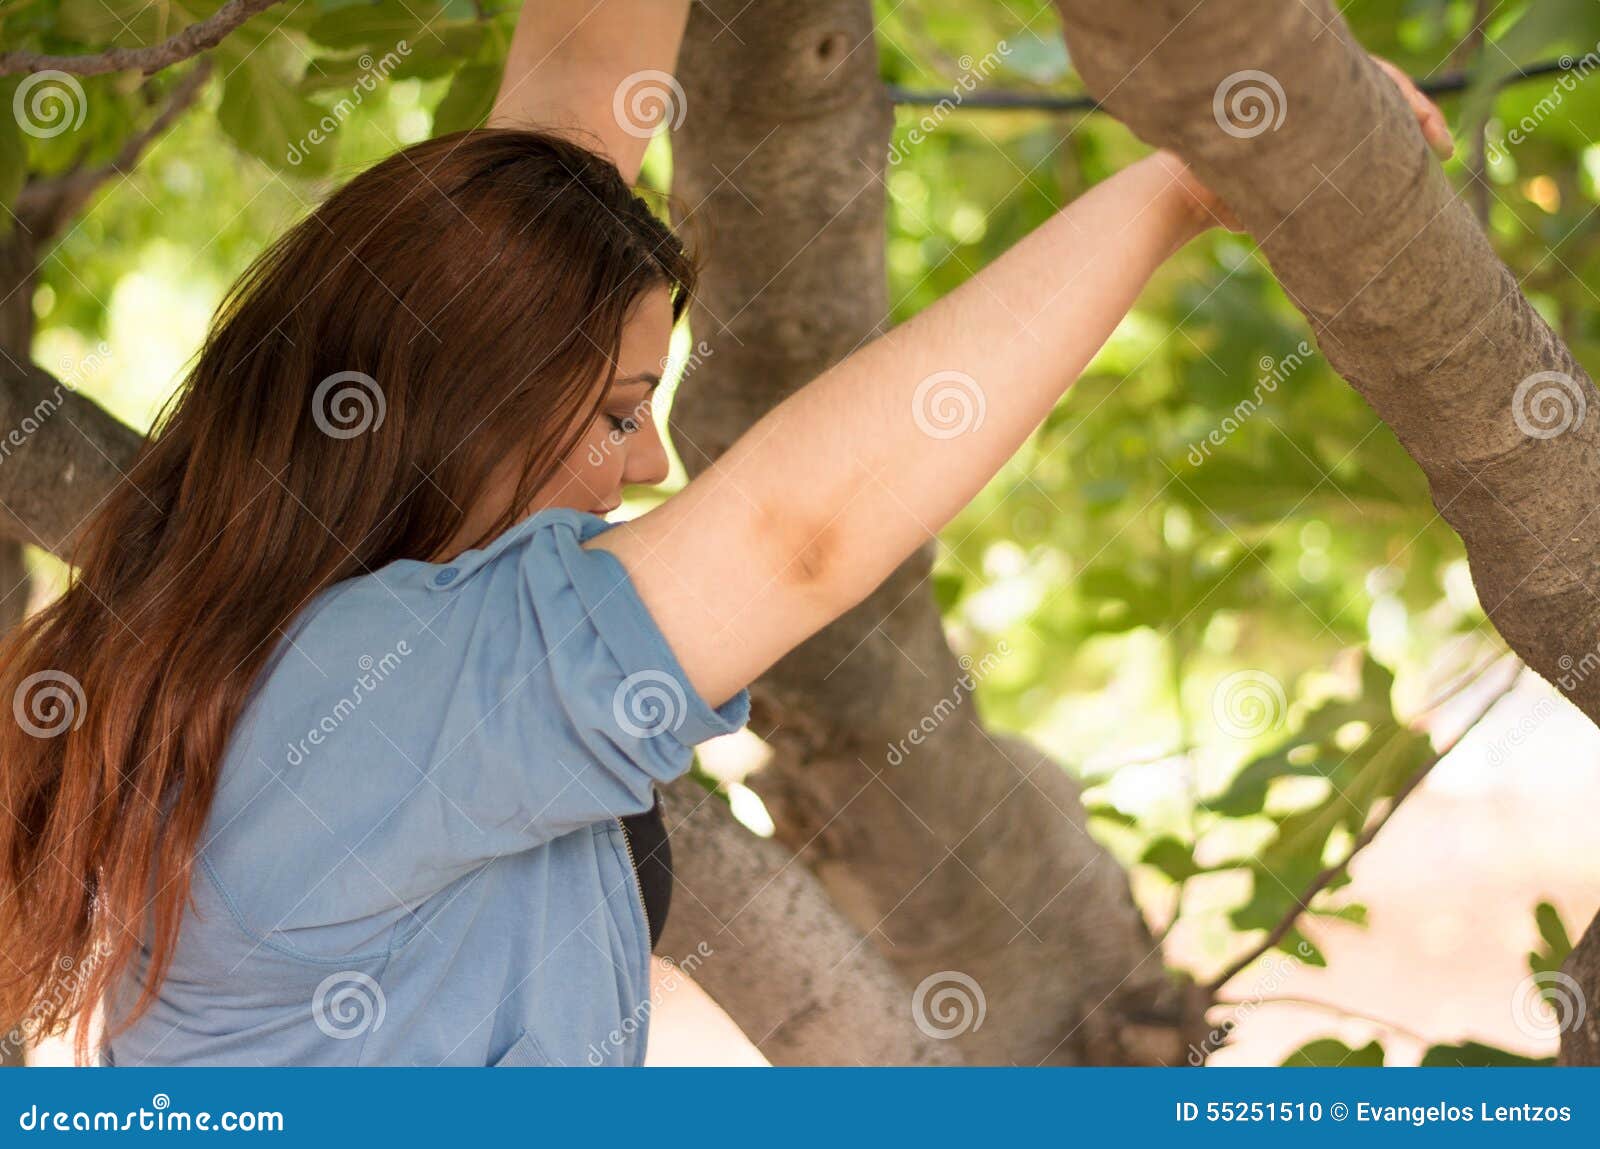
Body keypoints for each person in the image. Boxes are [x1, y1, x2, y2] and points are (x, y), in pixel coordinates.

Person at [0, 2, 1451, 1066]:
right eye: (620, 411)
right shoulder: (382, 684)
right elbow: (793, 535)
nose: (650, 461)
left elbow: (562, 129)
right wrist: (1184, 186)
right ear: (465, 408)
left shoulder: (289, 604)